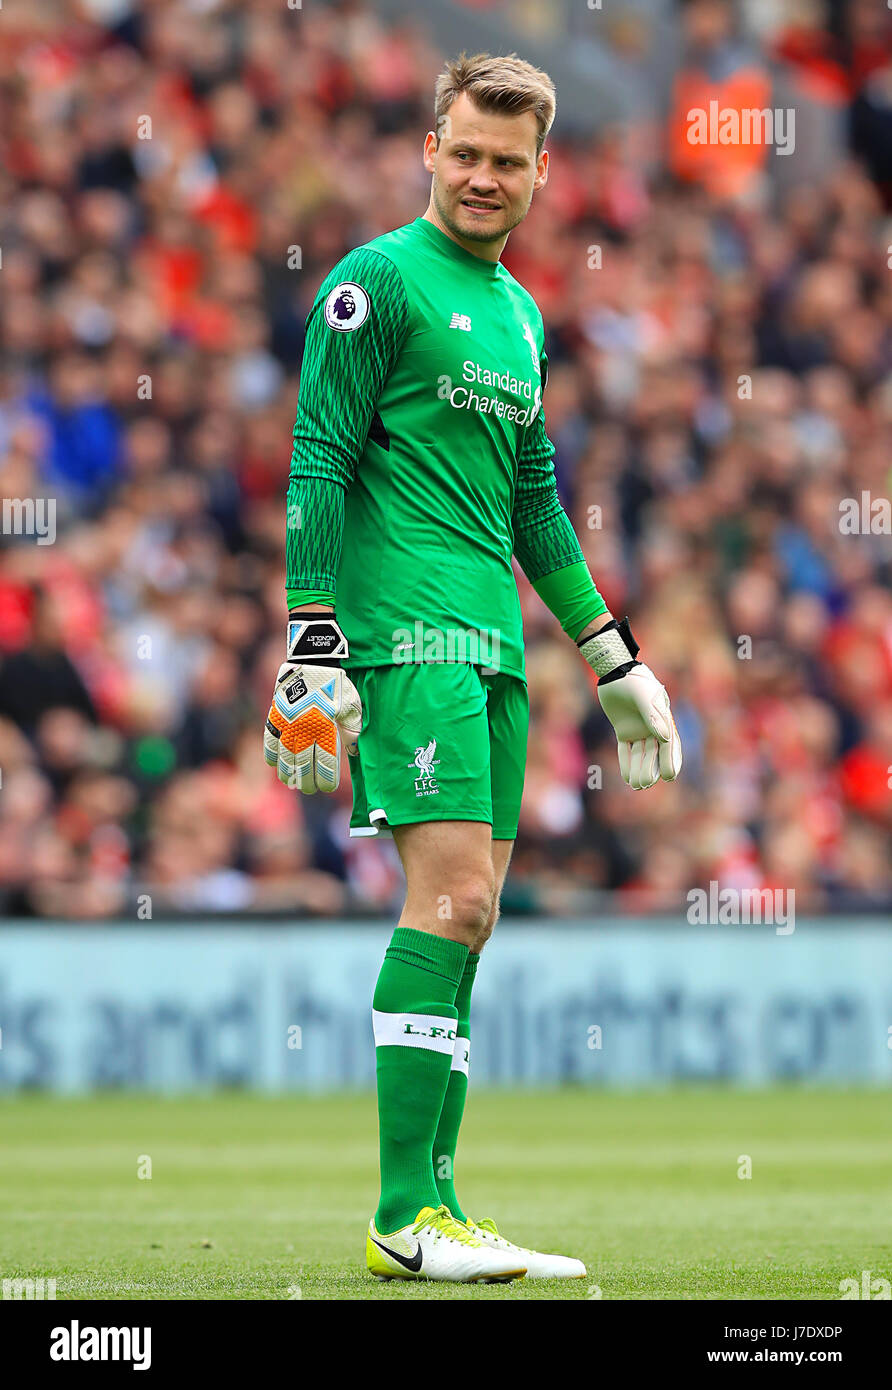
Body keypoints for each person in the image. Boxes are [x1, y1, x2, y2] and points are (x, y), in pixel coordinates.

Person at [265, 51, 682, 1283]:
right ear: (429, 152)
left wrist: (611, 658)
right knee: (448, 903)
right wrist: (310, 636)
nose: (485, 176)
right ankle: (405, 1208)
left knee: (474, 919)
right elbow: (317, 462)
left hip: (495, 647)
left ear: (543, 172)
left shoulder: (519, 315)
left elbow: (536, 500)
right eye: (466, 152)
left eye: (509, 160)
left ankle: (441, 1204)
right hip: (405, 637)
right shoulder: (373, 284)